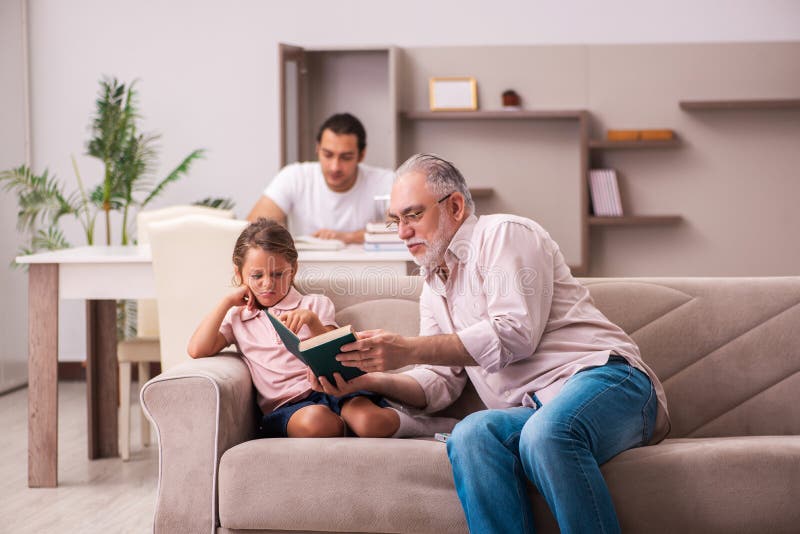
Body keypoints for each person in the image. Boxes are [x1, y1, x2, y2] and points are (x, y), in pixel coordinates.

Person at [313, 153, 672, 533]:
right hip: (535, 409)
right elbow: (440, 382)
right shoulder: (432, 287)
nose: (402, 232)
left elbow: (515, 333)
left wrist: (407, 347)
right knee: (471, 434)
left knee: (546, 433)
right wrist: (369, 379)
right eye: (396, 221)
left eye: (413, 215)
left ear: (454, 206)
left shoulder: (503, 234)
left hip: (608, 381)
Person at [187, 217, 405, 438]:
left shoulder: (313, 304)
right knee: (318, 423)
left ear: (293, 270)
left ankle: (421, 424)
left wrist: (312, 322)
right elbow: (197, 349)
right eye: (257, 276)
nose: (268, 284)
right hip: (289, 407)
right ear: (239, 274)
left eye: (278, 274)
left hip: (337, 390)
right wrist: (226, 302)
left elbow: (337, 350)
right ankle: (342, 426)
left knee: (371, 422)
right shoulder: (238, 318)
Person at [247, 113, 394, 244]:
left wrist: (348, 237)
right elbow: (252, 229)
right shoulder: (294, 177)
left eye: (346, 157)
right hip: (305, 271)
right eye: (328, 155)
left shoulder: (385, 181)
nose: (334, 167)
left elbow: (400, 230)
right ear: (317, 149)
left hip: (369, 271)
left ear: (361, 155)